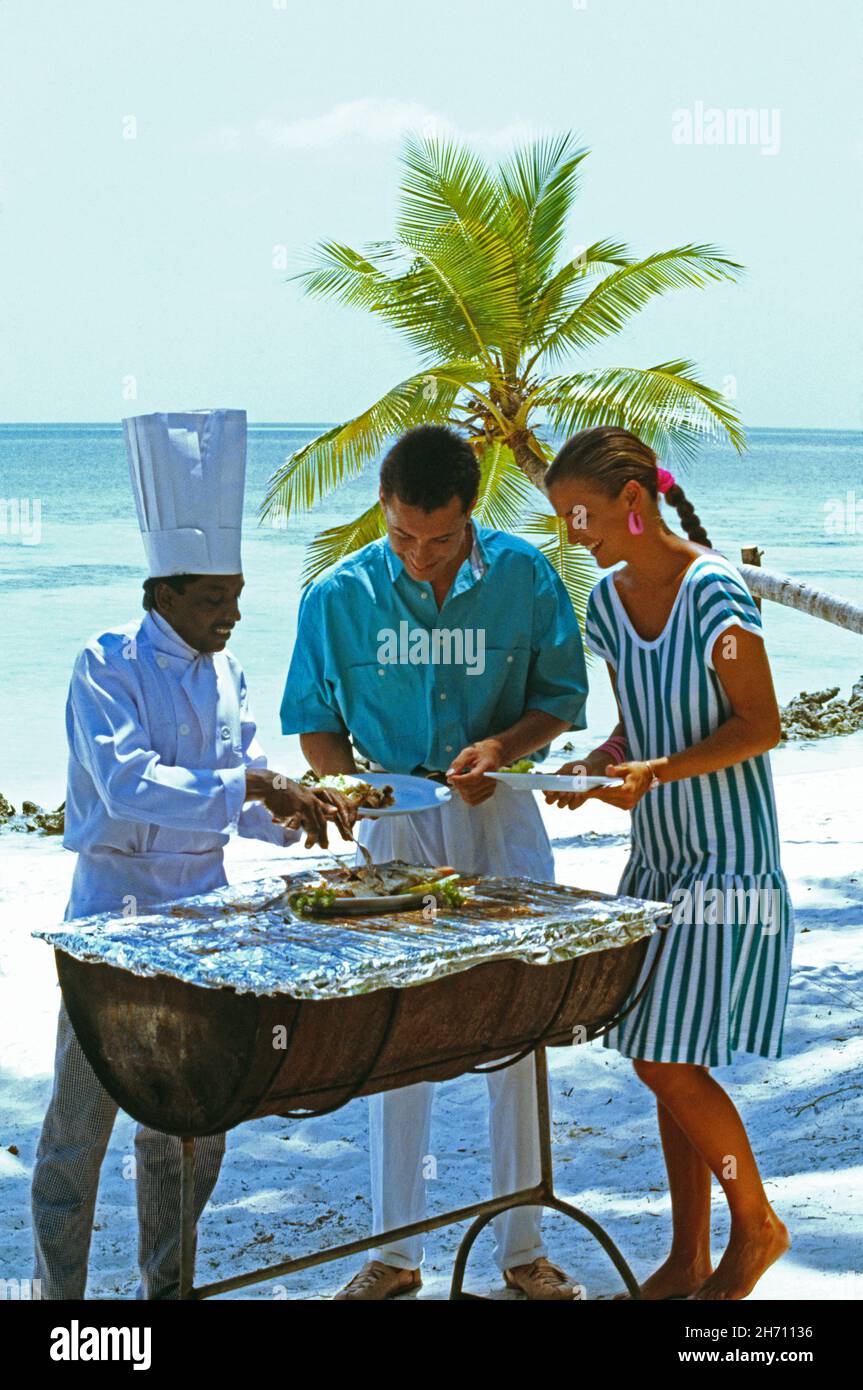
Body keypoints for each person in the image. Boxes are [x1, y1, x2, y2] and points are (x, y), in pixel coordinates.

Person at [32, 409, 356, 1300]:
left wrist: (298, 814)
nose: (232, 613)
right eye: (214, 597)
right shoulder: (104, 664)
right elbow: (129, 787)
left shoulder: (228, 669)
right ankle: (59, 1303)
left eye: (237, 594)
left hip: (205, 923)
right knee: (77, 1131)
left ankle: (164, 1292)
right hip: (113, 925)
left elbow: (232, 806)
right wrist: (255, 786)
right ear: (163, 593)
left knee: (193, 1128)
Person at [280, 424, 589, 1299]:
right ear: (383, 510)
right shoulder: (337, 596)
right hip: (393, 828)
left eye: (440, 538)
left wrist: (500, 744)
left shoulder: (526, 577)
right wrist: (349, 791)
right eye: (401, 535)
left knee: (516, 1028)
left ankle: (522, 1247)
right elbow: (312, 720)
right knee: (392, 1035)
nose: (419, 556)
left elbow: (560, 698)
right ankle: (393, 1253)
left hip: (501, 819)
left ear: (472, 515)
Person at [543, 425, 793, 1301]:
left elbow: (760, 725)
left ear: (634, 504)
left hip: (726, 865)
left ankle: (756, 1229)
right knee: (664, 1051)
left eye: (583, 517)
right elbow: (634, 728)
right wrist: (597, 763)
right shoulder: (608, 606)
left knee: (664, 1061)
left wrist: (656, 771)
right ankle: (689, 1258)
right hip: (656, 860)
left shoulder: (716, 593)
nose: (575, 535)